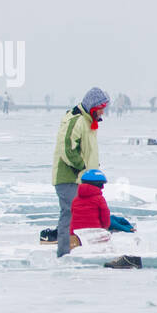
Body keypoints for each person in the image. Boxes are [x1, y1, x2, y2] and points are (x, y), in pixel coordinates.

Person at [52, 87, 109, 258]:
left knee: (86, 215)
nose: (103, 112)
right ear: (93, 105)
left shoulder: (88, 122)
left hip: (83, 179)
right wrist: (83, 168)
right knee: (70, 214)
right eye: (101, 108)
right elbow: (67, 149)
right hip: (69, 178)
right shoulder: (76, 120)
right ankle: (64, 253)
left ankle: (82, 251)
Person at [71, 169, 110, 240]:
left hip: (76, 234)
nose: (102, 188)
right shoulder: (99, 199)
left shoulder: (75, 200)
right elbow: (105, 217)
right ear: (97, 185)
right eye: (101, 185)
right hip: (94, 232)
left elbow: (72, 216)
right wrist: (105, 227)